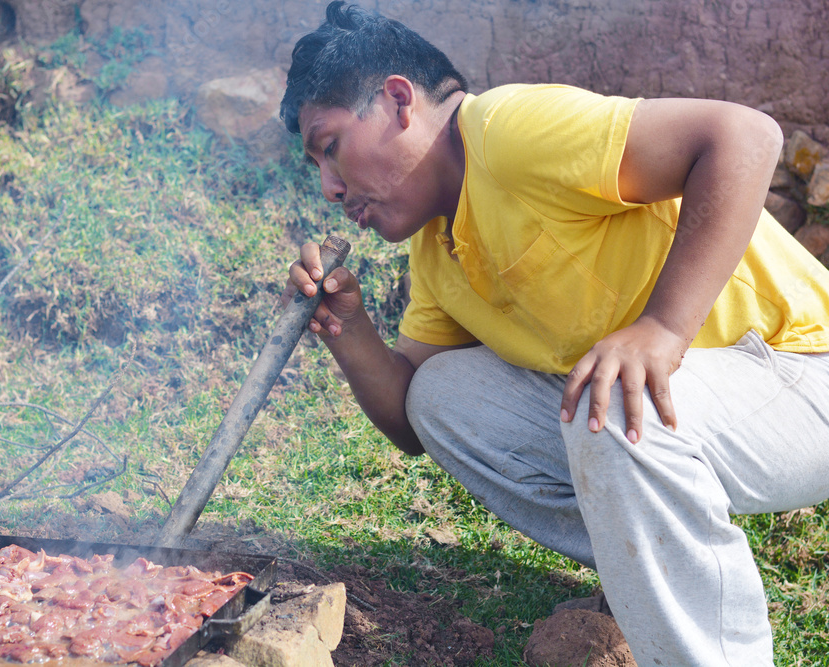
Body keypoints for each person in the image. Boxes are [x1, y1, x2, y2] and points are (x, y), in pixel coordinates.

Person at [280, 2, 829, 665]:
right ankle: (662, 567)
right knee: (441, 392)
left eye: (330, 146)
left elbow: (745, 136)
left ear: (399, 100)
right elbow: (412, 422)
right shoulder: (437, 244)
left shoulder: (508, 130)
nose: (329, 187)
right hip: (704, 408)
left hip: (800, 368)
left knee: (619, 408)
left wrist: (662, 327)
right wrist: (349, 327)